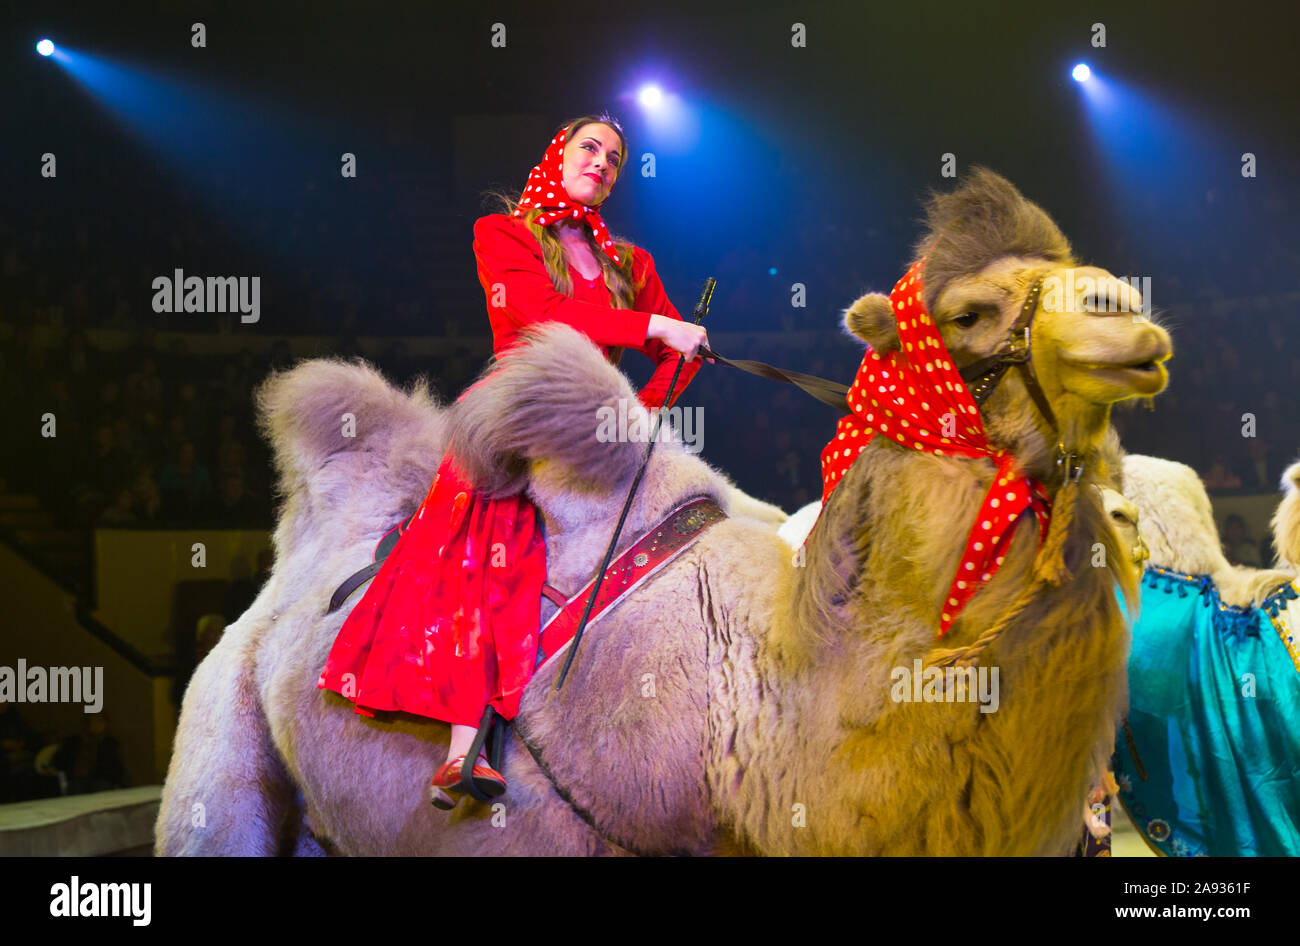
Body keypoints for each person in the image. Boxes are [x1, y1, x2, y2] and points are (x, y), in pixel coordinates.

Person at [317, 113, 711, 809]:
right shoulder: (502, 234)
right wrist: (652, 327)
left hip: (596, 428)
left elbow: (679, 356)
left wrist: (640, 407)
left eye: (616, 159)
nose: (603, 163)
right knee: (492, 545)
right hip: (517, 409)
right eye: (590, 148)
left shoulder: (630, 263)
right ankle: (464, 745)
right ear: (558, 155)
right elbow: (538, 314)